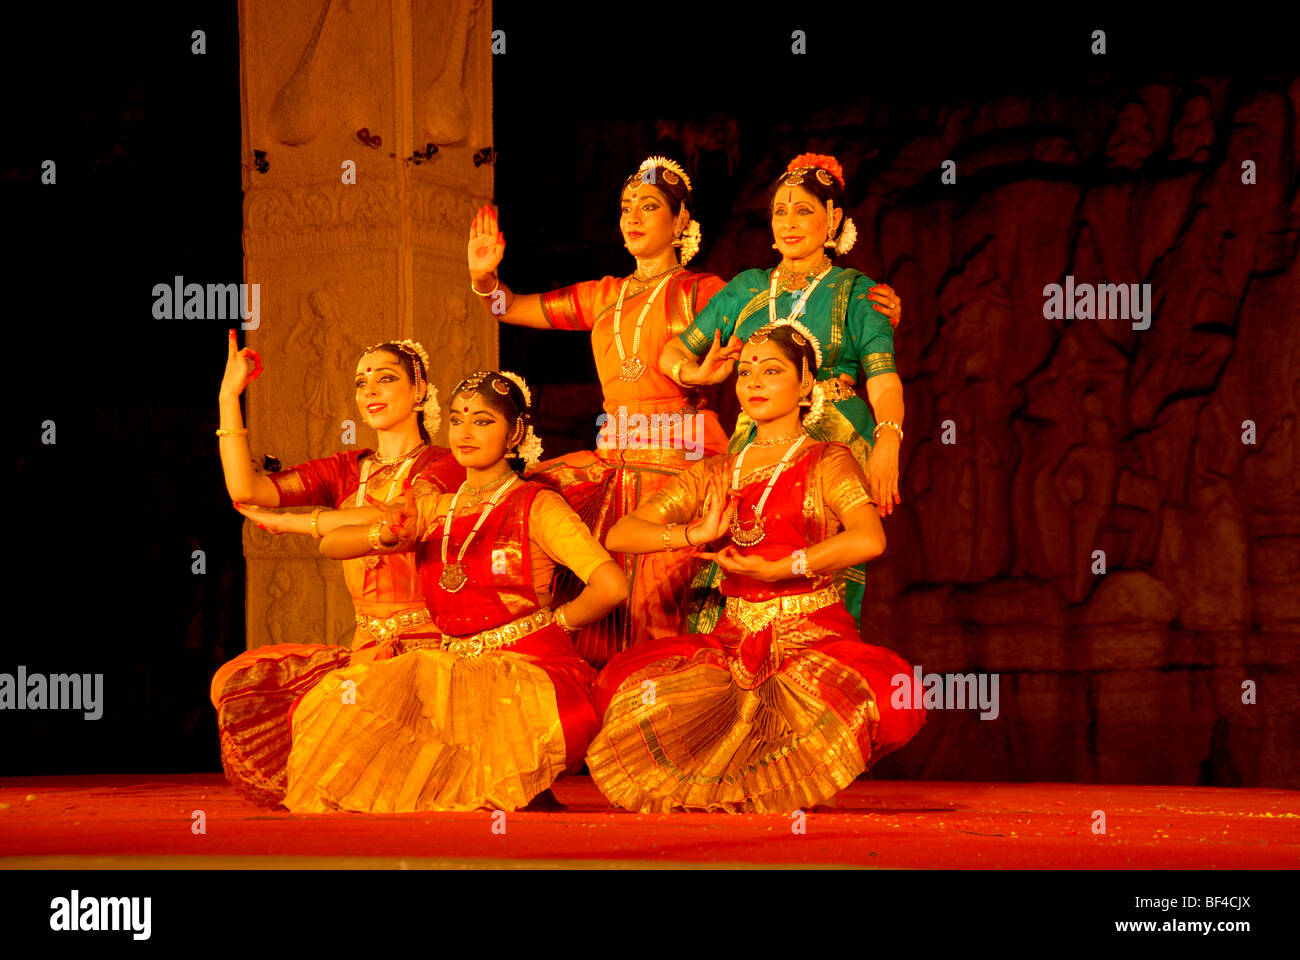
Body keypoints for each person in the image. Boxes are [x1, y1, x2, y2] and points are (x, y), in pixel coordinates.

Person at [468, 156, 904, 664]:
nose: (631, 217)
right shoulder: (605, 296)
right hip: (617, 467)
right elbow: (512, 306)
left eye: (648, 206)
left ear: (680, 223)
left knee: (675, 614)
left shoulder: (707, 291)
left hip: (688, 460)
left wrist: (882, 320)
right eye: (626, 206)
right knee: (557, 559)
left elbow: (823, 346)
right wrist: (484, 279)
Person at [586, 321, 924, 813]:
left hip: (809, 633)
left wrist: (788, 566)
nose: (755, 383)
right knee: (627, 686)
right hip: (732, 635)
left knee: (886, 696)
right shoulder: (716, 470)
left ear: (806, 385)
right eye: (745, 373)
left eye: (772, 371)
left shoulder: (827, 460)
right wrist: (690, 535)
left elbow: (870, 538)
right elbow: (621, 533)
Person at [283, 370, 629, 813]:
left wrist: (555, 623)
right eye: (458, 419)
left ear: (515, 433)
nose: (465, 432)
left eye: (482, 421)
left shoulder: (536, 504)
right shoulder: (434, 507)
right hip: (451, 667)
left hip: (527, 672)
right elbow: (332, 544)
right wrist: (386, 536)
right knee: (338, 702)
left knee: (479, 749)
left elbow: (611, 586)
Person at [210, 333, 464, 807]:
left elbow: (396, 518)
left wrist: (301, 523)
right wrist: (229, 398)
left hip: (430, 658)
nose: (370, 390)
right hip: (365, 652)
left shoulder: (446, 464)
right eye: (361, 382)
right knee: (235, 684)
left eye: (386, 379)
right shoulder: (347, 469)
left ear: (420, 390)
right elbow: (246, 491)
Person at [660, 152, 905, 630]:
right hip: (755, 444)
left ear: (833, 218)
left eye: (805, 210)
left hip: (836, 442)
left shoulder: (858, 292)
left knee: (825, 579)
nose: (790, 223)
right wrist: (698, 374)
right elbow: (674, 351)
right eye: (780, 211)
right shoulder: (746, 289)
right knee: (730, 570)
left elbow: (883, 376)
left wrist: (890, 437)